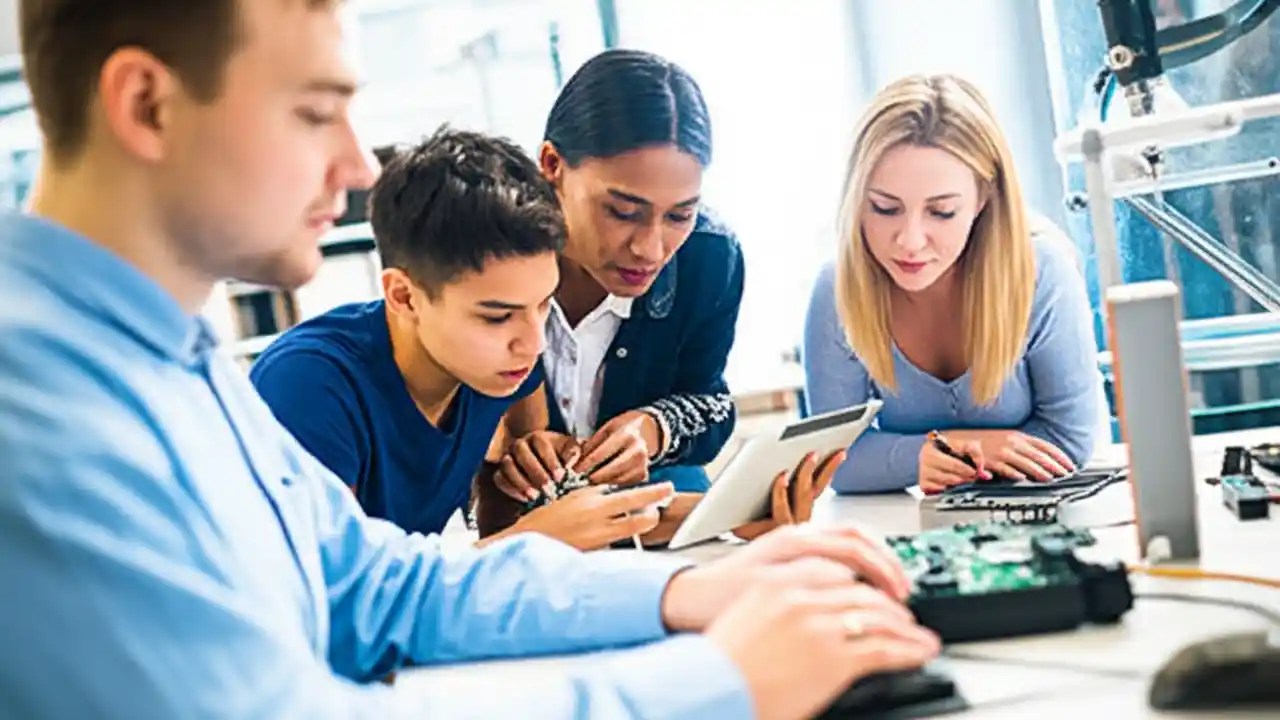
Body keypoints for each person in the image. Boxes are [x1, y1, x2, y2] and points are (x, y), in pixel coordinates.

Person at [0, 2, 940, 718]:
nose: (359, 167)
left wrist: (693, 589)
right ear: (147, 104)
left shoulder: (176, 363)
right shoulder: (39, 417)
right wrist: (726, 679)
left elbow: (384, 587)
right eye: (314, 112)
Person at [480, 48, 846, 545]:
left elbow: (712, 401)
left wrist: (655, 429)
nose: (651, 250)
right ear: (552, 165)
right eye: (622, 211)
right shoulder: (487, 258)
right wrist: (508, 448)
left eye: (679, 215)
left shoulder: (708, 256)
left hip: (660, 501)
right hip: (525, 531)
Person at [249, 126, 677, 548]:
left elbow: (504, 519)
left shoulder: (499, 368)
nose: (535, 344)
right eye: (497, 317)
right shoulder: (307, 387)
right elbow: (327, 584)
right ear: (404, 296)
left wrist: (536, 479)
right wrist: (534, 539)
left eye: (544, 304)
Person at [802, 74, 1104, 495]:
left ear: (983, 198)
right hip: (910, 525)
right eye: (885, 208)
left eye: (941, 212)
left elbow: (1072, 439)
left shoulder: (1041, 273)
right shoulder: (837, 290)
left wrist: (932, 459)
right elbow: (833, 461)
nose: (909, 240)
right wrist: (940, 450)